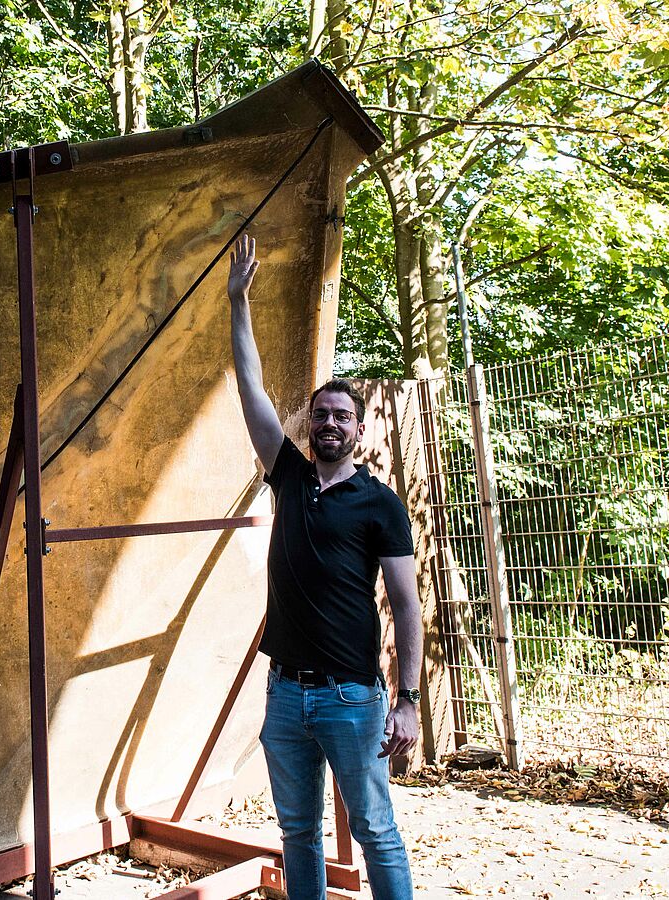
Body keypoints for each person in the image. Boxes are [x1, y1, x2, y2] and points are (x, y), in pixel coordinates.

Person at [226, 233, 423, 899]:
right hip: (285, 694)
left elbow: (405, 605)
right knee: (298, 833)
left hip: (352, 699)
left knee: (374, 828)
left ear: (359, 432)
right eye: (322, 414)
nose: (330, 422)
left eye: (343, 415)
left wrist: (409, 703)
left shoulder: (380, 504)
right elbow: (249, 385)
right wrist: (237, 301)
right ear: (309, 427)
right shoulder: (286, 474)